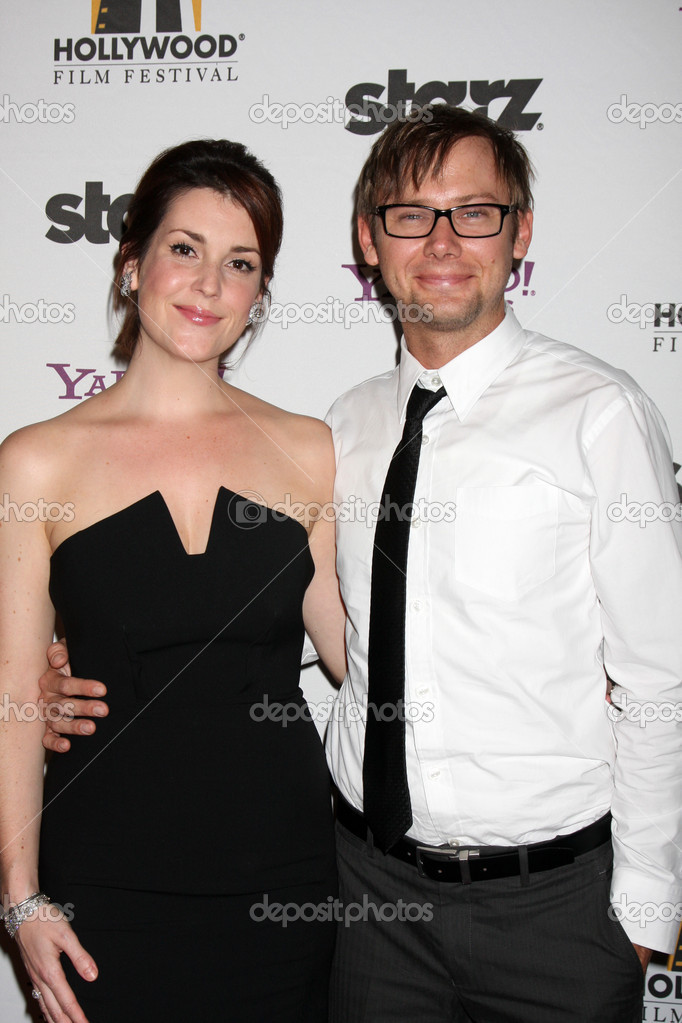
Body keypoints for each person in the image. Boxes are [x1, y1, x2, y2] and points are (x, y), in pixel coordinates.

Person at [40, 107, 682, 1023]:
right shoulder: (342, 428)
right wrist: (57, 671)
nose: (443, 241)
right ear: (369, 240)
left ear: (521, 232)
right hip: (365, 898)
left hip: (553, 909)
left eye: (476, 212)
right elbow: (329, 632)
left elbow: (662, 676)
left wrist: (647, 908)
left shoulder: (600, 415)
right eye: (411, 214)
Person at [0, 139, 346, 1023]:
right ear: (131, 264)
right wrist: (21, 897)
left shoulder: (308, 448)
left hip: (285, 883)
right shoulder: (36, 461)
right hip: (102, 886)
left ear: (260, 294)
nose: (208, 285)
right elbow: (16, 700)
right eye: (184, 248)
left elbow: (361, 655)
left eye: (241, 263)